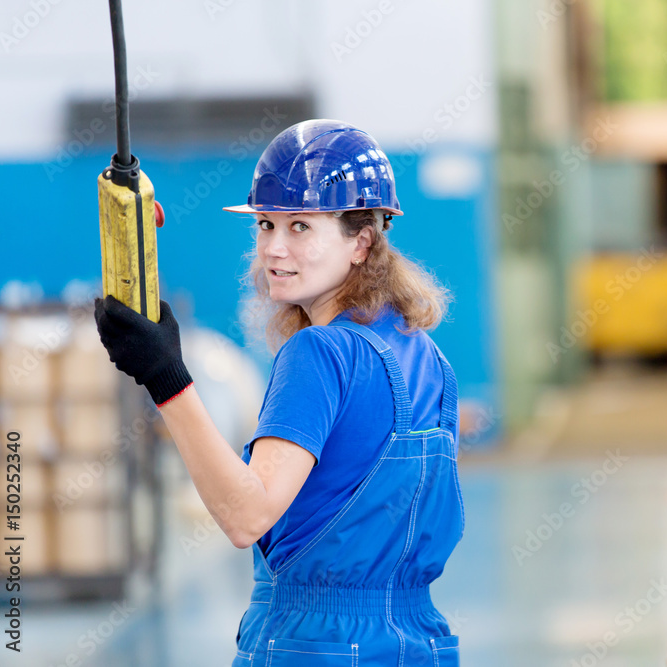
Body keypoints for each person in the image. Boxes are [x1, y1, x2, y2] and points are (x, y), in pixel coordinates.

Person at [94, 119, 465, 667]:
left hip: (315, 645)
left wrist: (164, 375)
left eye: (300, 227)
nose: (274, 248)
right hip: (417, 644)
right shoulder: (427, 356)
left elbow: (247, 515)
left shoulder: (319, 353)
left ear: (362, 241)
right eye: (266, 225)